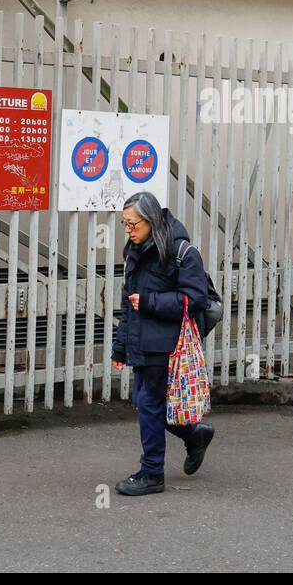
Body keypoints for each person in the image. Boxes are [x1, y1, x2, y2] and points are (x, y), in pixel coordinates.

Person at [110, 191, 214, 496]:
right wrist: (120, 347)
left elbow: (196, 299)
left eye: (133, 224)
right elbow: (128, 302)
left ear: (151, 220)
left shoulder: (181, 251)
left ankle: (152, 472)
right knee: (148, 405)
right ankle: (194, 435)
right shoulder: (135, 250)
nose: (128, 230)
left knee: (150, 405)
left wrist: (151, 302)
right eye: (124, 224)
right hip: (142, 342)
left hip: (167, 344)